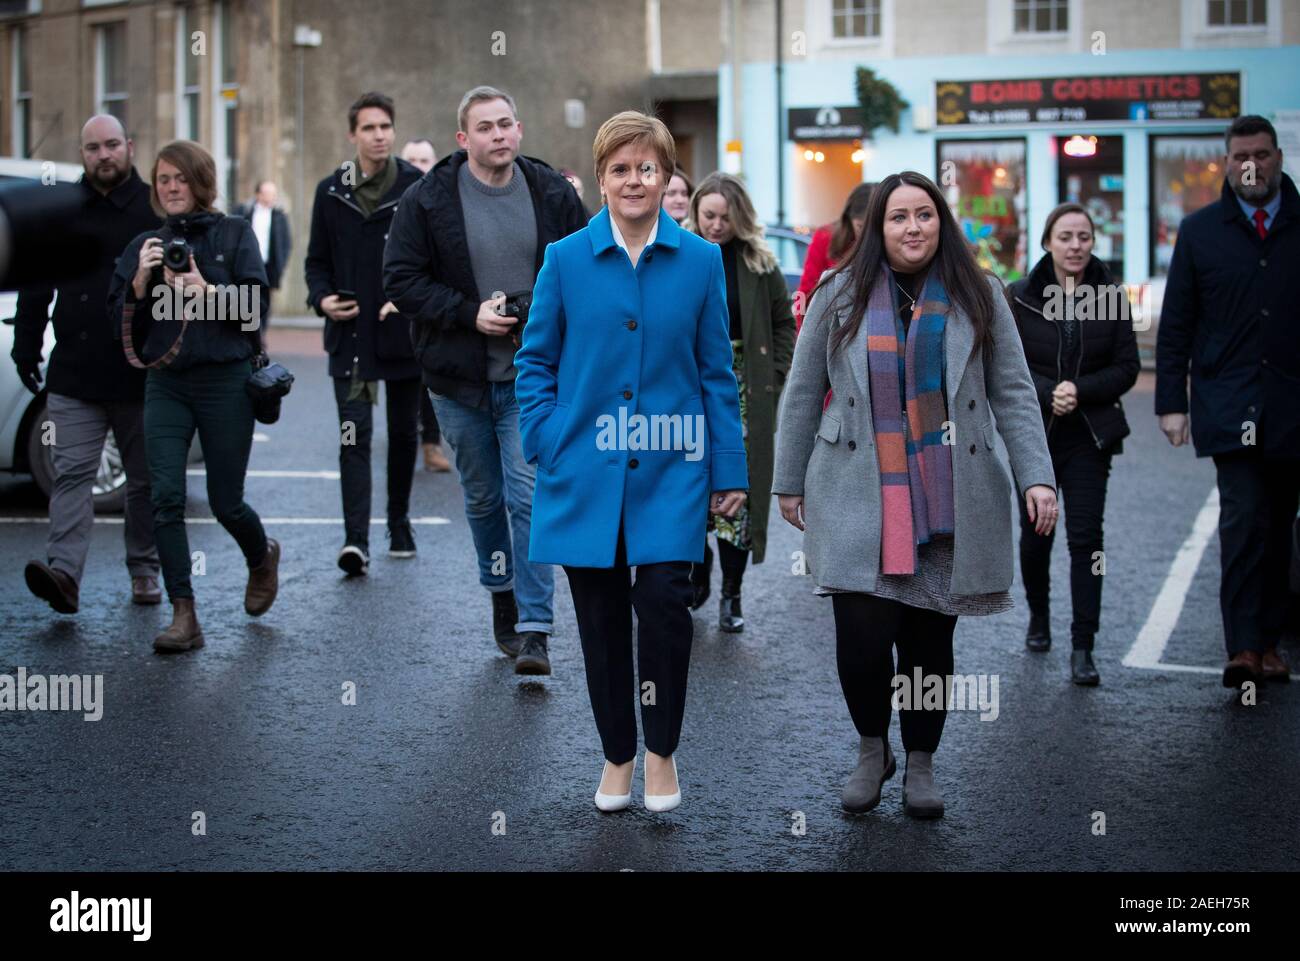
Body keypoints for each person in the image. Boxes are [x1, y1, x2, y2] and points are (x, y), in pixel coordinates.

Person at [773, 171, 1056, 818]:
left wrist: (1036, 475)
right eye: (898, 217)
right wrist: (787, 480)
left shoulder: (978, 293)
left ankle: (921, 761)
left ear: (941, 222)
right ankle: (874, 748)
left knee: (929, 645)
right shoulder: (838, 293)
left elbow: (1012, 389)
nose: (912, 228)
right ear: (877, 227)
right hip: (854, 492)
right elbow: (801, 389)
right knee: (862, 641)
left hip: (946, 499)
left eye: (924, 215)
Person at [515, 111, 747, 813]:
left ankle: (661, 751)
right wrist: (548, 438)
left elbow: (716, 373)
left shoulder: (701, 260)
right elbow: (535, 362)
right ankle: (618, 754)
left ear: (668, 175)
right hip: (584, 465)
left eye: (647, 167)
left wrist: (728, 470)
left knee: (664, 607)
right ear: (600, 178)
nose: (634, 180)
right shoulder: (564, 258)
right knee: (600, 618)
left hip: (672, 465)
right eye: (620, 168)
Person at [384, 85, 586, 673]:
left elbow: (583, 270)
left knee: (528, 496)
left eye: (506, 124)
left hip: (531, 377)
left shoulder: (552, 193)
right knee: (483, 499)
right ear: (463, 139)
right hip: (458, 379)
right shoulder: (428, 200)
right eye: (486, 127)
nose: (498, 135)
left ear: (519, 130)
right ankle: (502, 592)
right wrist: (466, 311)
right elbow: (400, 278)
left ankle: (535, 627)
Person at [107, 140, 278, 653]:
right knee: (165, 497)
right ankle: (185, 614)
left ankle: (261, 555)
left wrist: (206, 291)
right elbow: (116, 318)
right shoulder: (148, 244)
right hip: (167, 383)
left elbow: (257, 310)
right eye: (162, 180)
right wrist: (140, 280)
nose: (171, 187)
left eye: (180, 178)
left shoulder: (234, 234)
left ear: (201, 182)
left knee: (227, 502)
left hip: (225, 382)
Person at [1156, 114, 1300, 688]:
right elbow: (1177, 323)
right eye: (1242, 155)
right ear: (1227, 160)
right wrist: (1172, 401)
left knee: (1280, 521)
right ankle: (1242, 647)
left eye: (1262, 155)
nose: (1253, 165)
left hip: (1292, 406)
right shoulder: (1200, 231)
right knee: (1242, 518)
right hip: (1229, 403)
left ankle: (1268, 642)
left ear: (1278, 157)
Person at [13, 114, 162, 615]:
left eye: (113, 145)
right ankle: (64, 575)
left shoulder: (154, 208)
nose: (104, 155)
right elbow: (37, 283)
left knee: (143, 480)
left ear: (130, 146)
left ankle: (144, 570)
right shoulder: (65, 210)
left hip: (140, 372)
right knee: (71, 474)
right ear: (83, 153)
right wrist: (25, 345)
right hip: (74, 371)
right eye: (94, 147)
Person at [1008, 203, 1139, 685]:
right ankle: (1039, 618)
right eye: (1065, 236)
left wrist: (1078, 391)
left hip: (1090, 435)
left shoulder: (1111, 295)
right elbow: (1007, 364)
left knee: (1086, 540)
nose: (1076, 245)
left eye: (1084, 236)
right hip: (1035, 435)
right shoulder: (1019, 297)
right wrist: (1049, 393)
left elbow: (1127, 366)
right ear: (1047, 242)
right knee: (1035, 535)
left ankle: (1083, 646)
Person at [305, 92, 424, 576]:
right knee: (354, 436)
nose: (379, 135)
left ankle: (398, 522)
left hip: (399, 334)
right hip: (351, 335)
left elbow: (433, 256)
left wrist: (410, 297)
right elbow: (315, 262)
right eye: (369, 128)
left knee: (401, 434)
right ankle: (356, 540)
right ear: (353, 134)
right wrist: (322, 299)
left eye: (385, 127)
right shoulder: (332, 190)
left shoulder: (417, 186)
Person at [685, 172, 795, 630]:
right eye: (708, 216)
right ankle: (698, 572)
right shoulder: (680, 255)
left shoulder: (759, 263)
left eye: (725, 218)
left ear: (741, 218)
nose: (715, 225)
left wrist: (772, 373)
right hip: (689, 389)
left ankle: (732, 594)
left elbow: (784, 324)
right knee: (690, 485)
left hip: (746, 388)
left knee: (739, 498)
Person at [398, 137, 452, 473]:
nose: (418, 165)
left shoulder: (442, 202)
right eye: (412, 159)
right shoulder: (398, 201)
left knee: (429, 377)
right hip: (396, 307)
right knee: (403, 381)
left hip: (432, 304)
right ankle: (404, 438)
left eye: (424, 159)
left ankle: (431, 444)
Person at [795, 182, 874, 332]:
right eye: (861, 227)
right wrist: (803, 334)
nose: (867, 235)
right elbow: (805, 292)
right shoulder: (825, 237)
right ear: (848, 219)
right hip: (832, 329)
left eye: (873, 227)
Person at [232, 180, 292, 325]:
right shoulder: (245, 211)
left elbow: (286, 243)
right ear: (258, 194)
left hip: (268, 264)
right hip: (247, 262)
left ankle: (261, 331)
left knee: (264, 299)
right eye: (268, 193)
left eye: (273, 194)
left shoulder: (279, 216)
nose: (272, 197)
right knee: (246, 295)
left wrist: (281, 263)